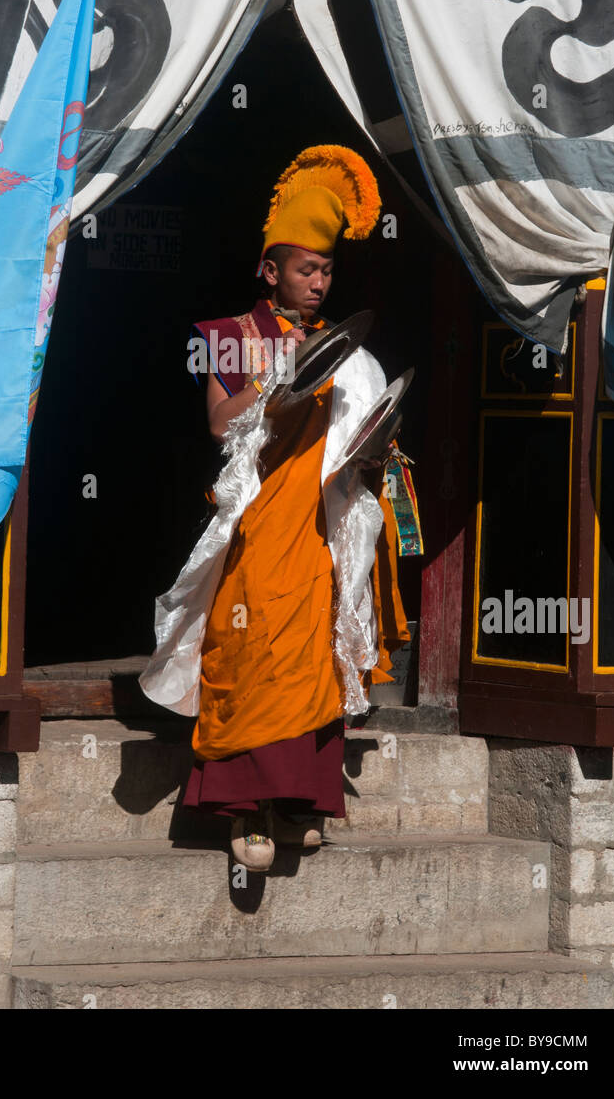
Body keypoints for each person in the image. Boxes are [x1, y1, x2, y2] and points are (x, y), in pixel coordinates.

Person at [140, 145, 411, 872]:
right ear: (271, 271)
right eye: (304, 270)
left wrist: (377, 450)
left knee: (308, 657)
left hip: (316, 529)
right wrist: (276, 384)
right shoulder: (230, 338)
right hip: (257, 526)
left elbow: (355, 451)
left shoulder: (345, 351)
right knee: (252, 646)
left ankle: (297, 804)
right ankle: (243, 809)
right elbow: (220, 425)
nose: (318, 284)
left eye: (326, 272)